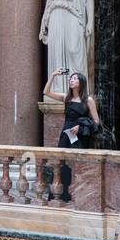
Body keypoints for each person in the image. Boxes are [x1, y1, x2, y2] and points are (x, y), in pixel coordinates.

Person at [43, 67, 100, 201]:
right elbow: (46, 92)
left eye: (74, 78)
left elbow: (96, 121)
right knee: (61, 163)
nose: (71, 80)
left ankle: (80, 195)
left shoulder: (88, 100)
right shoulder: (66, 98)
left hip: (80, 136)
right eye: (71, 78)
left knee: (78, 164)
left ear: (81, 82)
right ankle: (60, 195)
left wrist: (80, 126)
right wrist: (52, 75)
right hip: (66, 134)